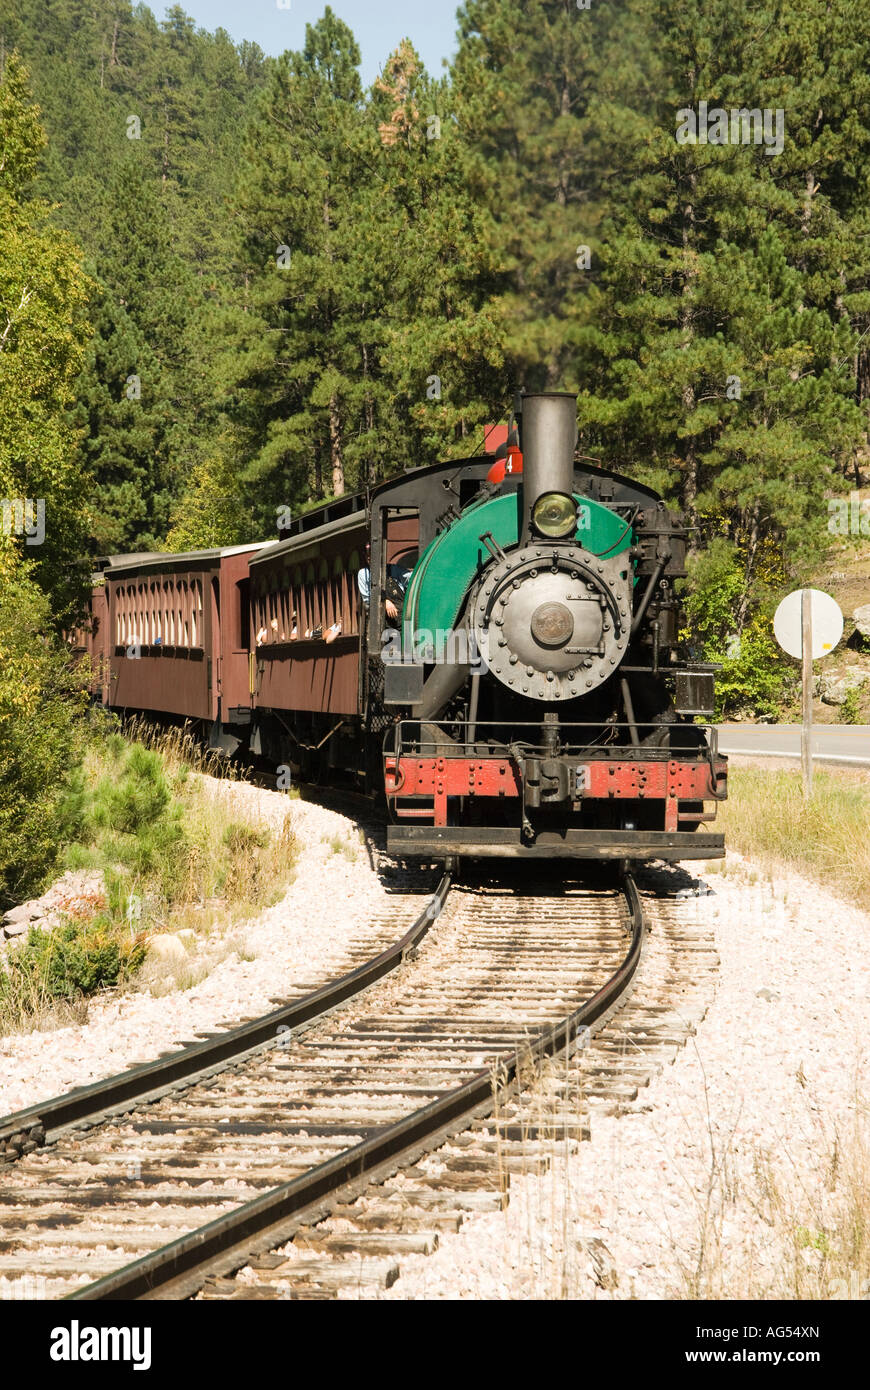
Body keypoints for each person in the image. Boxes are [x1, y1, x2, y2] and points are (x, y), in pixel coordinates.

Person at [357, 542, 411, 624]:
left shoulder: (394, 569)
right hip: (383, 622)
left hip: (403, 618)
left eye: (372, 554)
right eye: (367, 555)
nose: (369, 557)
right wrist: (384, 602)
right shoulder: (364, 574)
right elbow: (368, 599)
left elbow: (411, 579)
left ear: (381, 555)